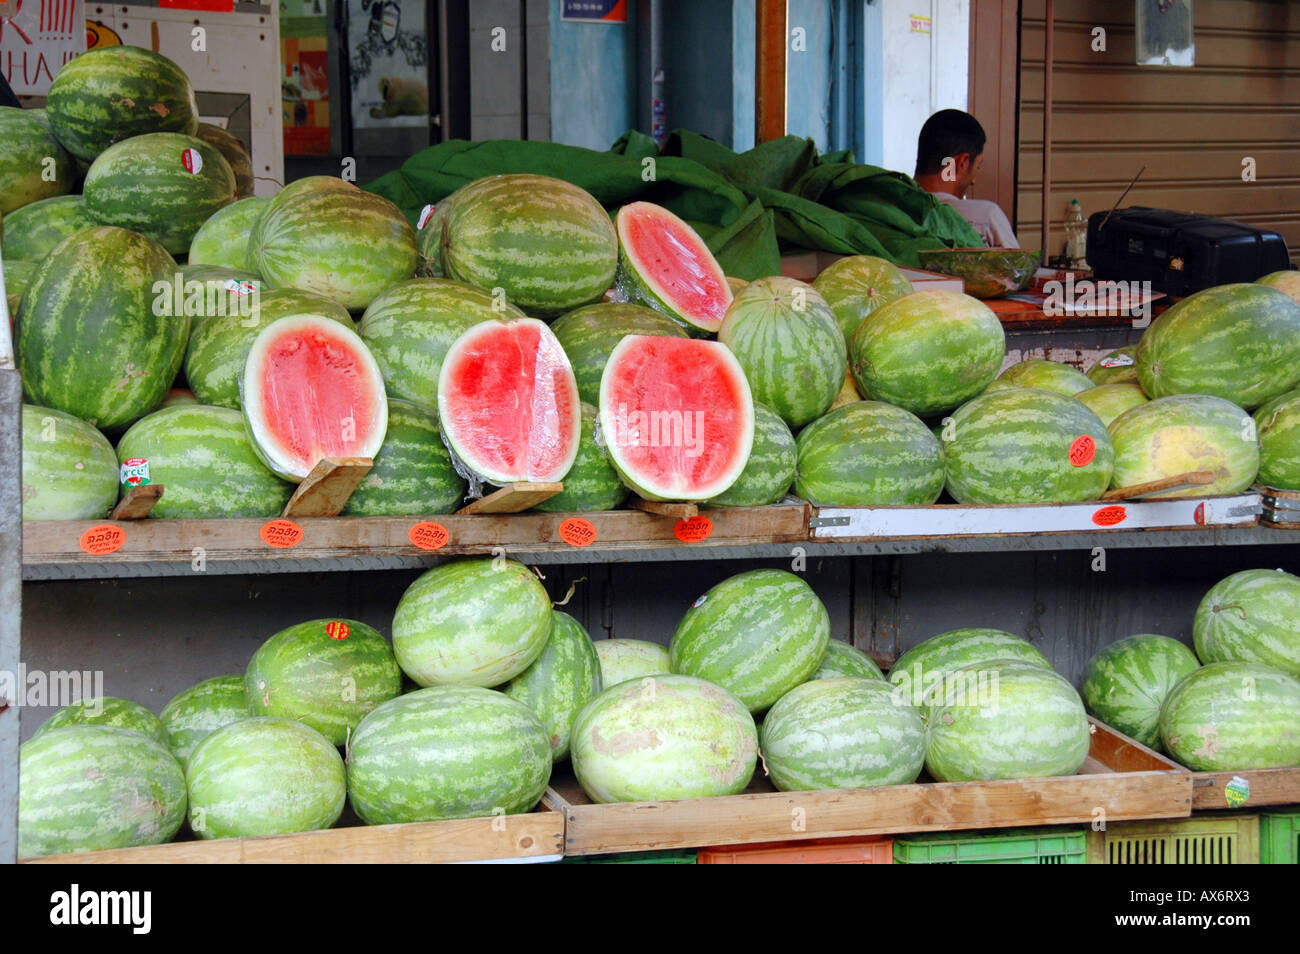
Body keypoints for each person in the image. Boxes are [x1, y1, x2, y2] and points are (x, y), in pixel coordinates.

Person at [913, 109, 1019, 248]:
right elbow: (1020, 268)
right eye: (977, 167)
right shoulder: (986, 216)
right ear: (961, 163)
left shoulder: (886, 211)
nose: (973, 181)